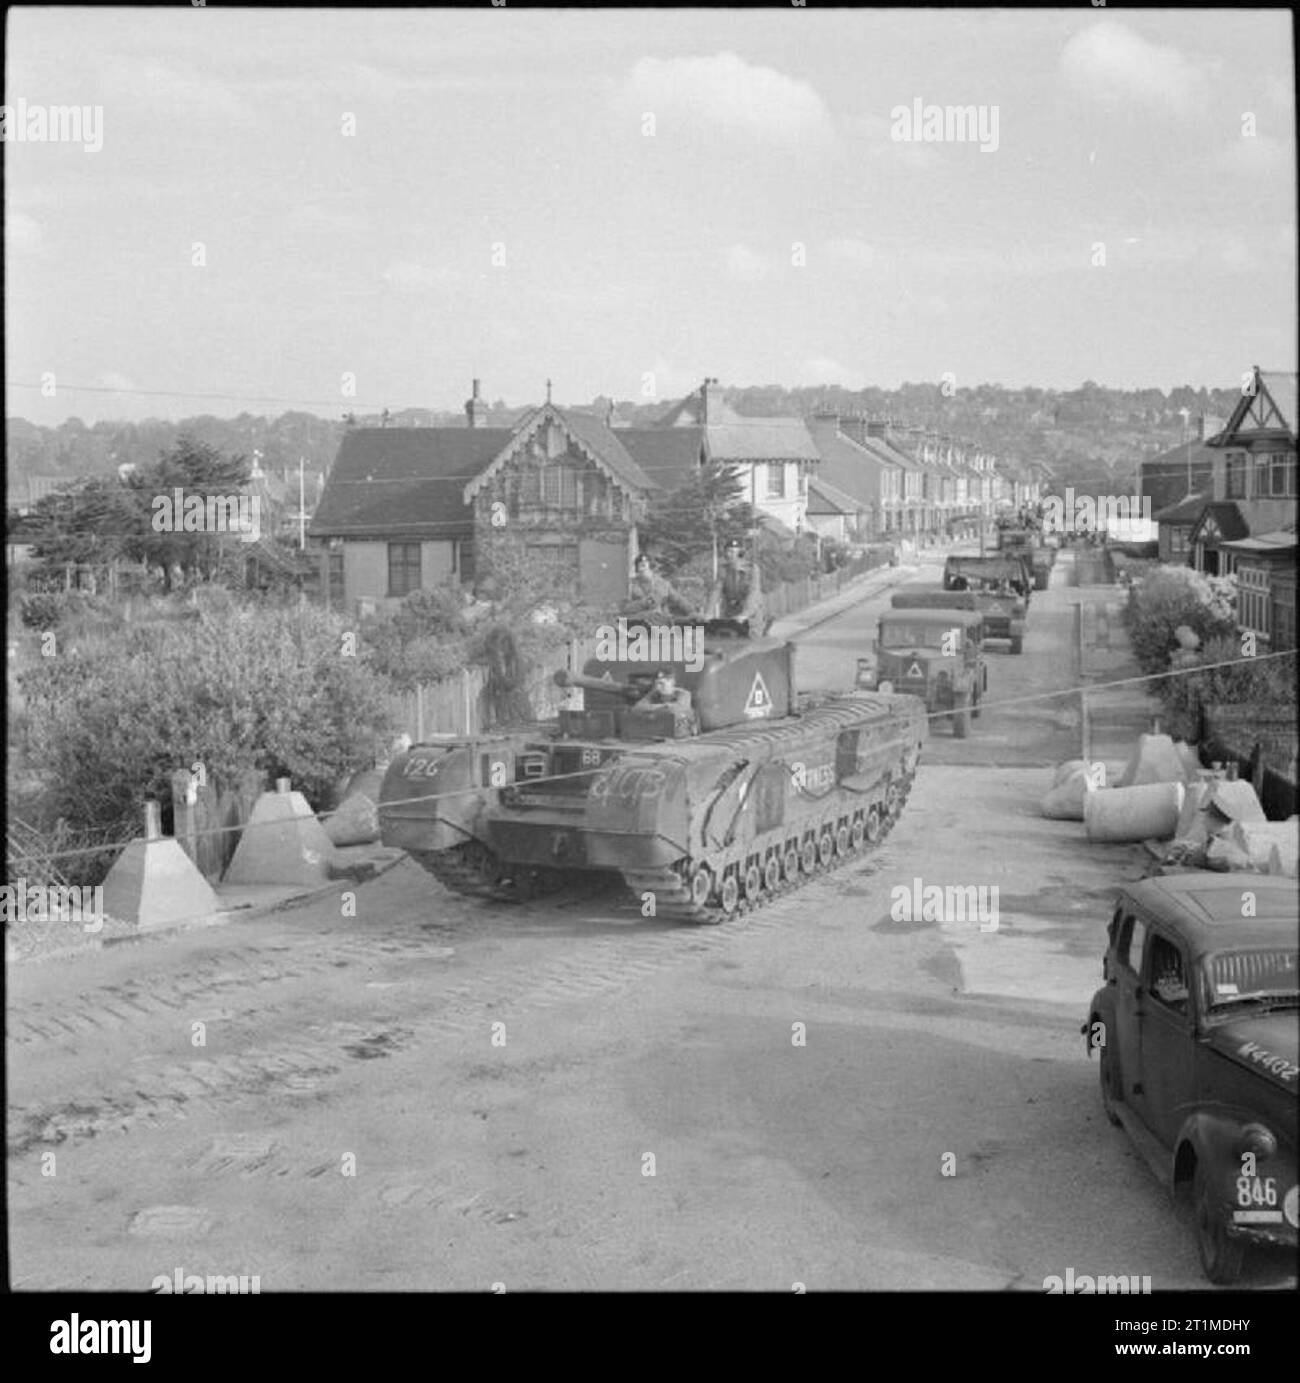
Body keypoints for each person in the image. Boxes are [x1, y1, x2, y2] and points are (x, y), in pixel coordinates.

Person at [706, 537, 766, 631]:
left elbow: (753, 593)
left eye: (732, 552)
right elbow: (716, 591)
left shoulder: (752, 570)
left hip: (752, 615)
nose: (728, 555)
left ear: (740, 554)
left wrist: (745, 614)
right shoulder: (723, 570)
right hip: (731, 612)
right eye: (727, 552)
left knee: (750, 642)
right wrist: (708, 613)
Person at [623, 552, 694, 619]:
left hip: (660, 622)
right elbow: (624, 608)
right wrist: (644, 603)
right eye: (640, 562)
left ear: (651, 566)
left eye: (646, 562)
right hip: (637, 623)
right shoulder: (631, 585)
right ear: (636, 568)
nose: (643, 564)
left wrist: (692, 611)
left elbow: (679, 600)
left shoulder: (662, 584)